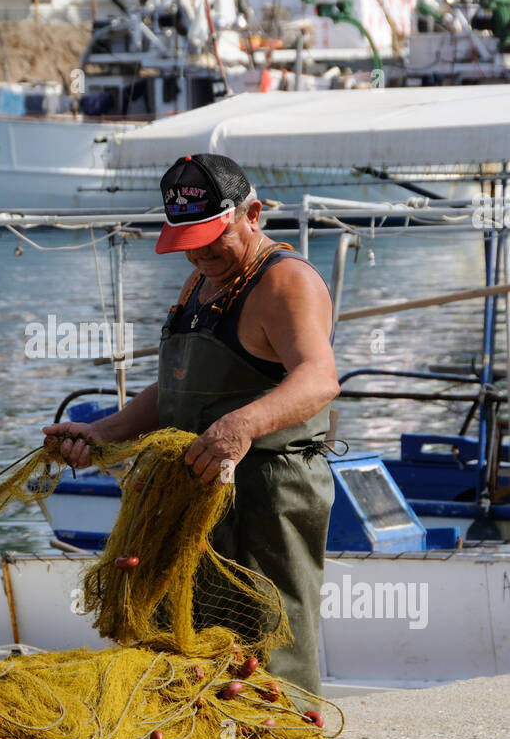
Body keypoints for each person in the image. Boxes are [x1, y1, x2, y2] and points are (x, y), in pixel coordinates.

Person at [43, 153, 339, 698]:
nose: (199, 252)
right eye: (187, 240)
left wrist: (242, 426)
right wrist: (105, 431)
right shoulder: (199, 284)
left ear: (251, 214)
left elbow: (319, 378)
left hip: (266, 496)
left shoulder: (284, 283)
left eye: (211, 237)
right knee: (195, 646)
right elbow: (178, 386)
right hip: (197, 497)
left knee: (268, 645)